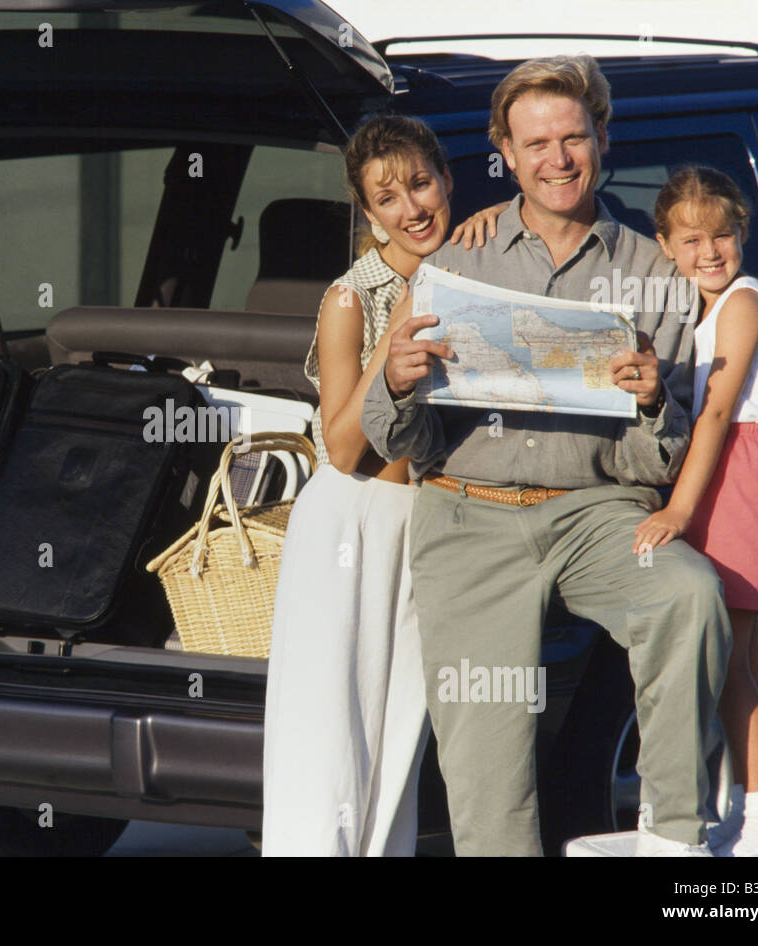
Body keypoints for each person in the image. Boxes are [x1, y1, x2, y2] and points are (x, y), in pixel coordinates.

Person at [361, 55, 733, 856]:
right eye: (536, 144)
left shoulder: (653, 271)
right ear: (504, 150)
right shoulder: (458, 261)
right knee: (489, 786)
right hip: (467, 517)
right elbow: (399, 442)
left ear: (603, 135)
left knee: (689, 595)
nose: (557, 159)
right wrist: (395, 385)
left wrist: (649, 402)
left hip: (596, 514)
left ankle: (673, 840)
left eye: (573, 137)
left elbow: (653, 465)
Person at [261, 114, 504, 856]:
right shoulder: (350, 297)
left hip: (428, 523)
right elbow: (339, 445)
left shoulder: (476, 263)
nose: (413, 208)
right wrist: (401, 318)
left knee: (399, 732)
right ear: (368, 214)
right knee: (329, 739)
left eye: (422, 183)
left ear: (448, 179)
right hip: (349, 522)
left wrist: (504, 217)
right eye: (388, 198)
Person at [633, 166, 758, 857]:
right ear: (666, 245)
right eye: (691, 237)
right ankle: (749, 811)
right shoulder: (702, 307)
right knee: (741, 658)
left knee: (732, 657)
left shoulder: (741, 300)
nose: (709, 250)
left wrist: (677, 509)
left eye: (723, 235)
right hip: (721, 467)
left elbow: (720, 412)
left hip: (737, 469)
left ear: (743, 235)